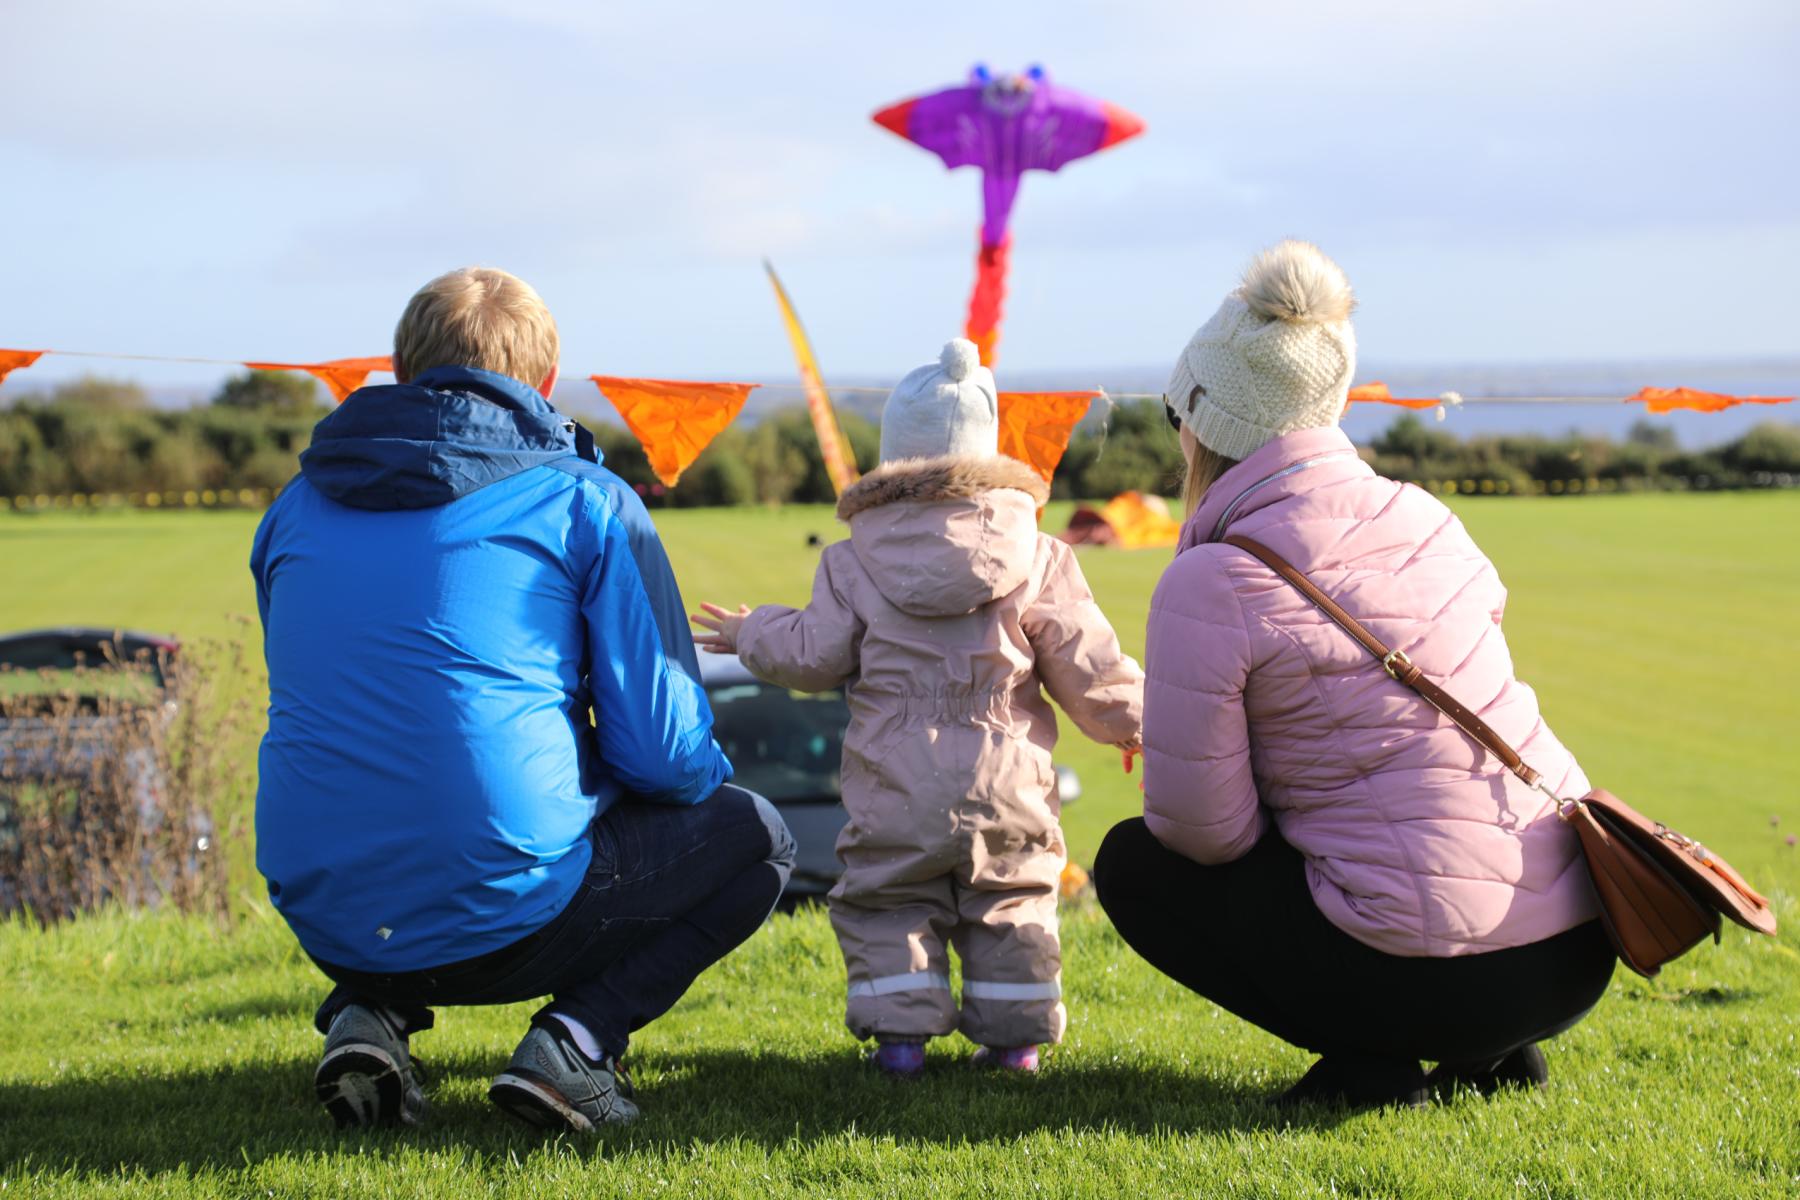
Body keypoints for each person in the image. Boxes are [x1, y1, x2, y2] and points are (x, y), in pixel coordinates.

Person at [251, 267, 795, 1133]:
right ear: (544, 383)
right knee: (757, 836)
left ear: (397, 367)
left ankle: (368, 1016)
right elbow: (663, 753)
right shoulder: (586, 500)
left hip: (322, 900)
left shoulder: (295, 507)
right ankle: (575, 1046)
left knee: (393, 779)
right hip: (506, 910)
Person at [1093, 241, 1615, 1109]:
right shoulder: (1427, 517)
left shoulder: (1211, 579)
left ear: (1202, 424)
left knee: (1135, 864)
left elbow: (1203, 835)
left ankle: (1372, 1058)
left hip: (1429, 976)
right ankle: (1496, 1053)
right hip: (1576, 949)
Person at [693, 339, 1143, 1076]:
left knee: (889, 900)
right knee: (1014, 898)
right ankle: (1015, 1046)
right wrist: (1139, 725)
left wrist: (751, 632)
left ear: (892, 454)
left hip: (895, 776)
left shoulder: (852, 557)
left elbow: (814, 653)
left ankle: (900, 1045)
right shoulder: (1041, 556)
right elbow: (1090, 668)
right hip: (1009, 778)